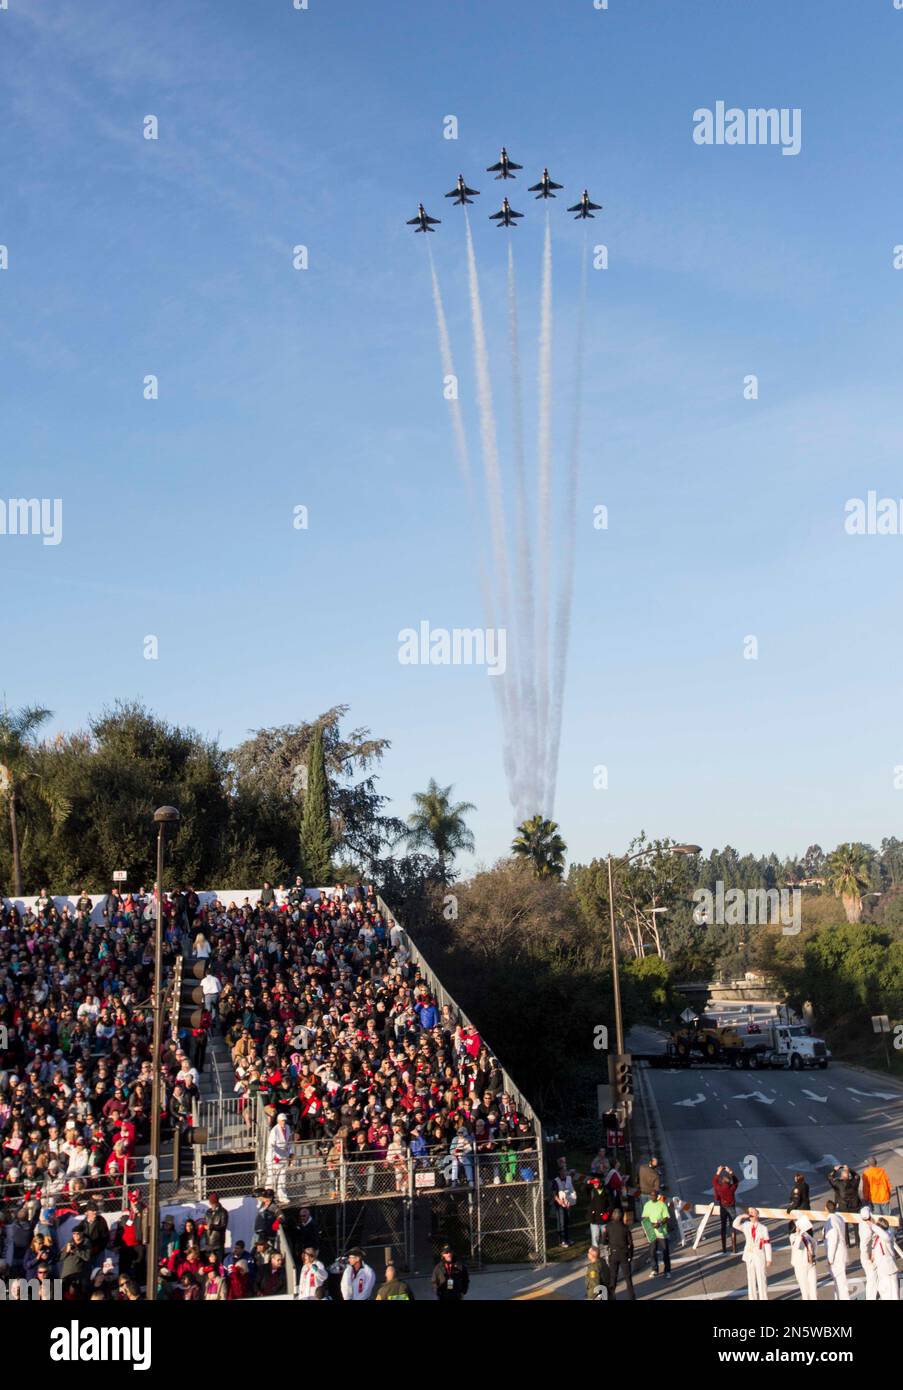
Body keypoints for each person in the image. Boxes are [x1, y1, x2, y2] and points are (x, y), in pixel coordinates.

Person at [733, 1208, 772, 1301]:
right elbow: (735, 1224)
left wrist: (769, 1258)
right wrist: (741, 1216)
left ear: (757, 1215)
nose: (751, 1214)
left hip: (759, 1255)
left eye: (753, 1213)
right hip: (749, 1255)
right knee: (751, 1279)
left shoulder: (763, 1228)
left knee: (761, 1279)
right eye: (750, 1213)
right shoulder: (746, 1225)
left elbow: (767, 1243)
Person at [603, 1207, 636, 1300]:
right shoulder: (625, 1228)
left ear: (613, 1216)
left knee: (613, 1278)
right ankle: (632, 1297)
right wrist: (631, 1255)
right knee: (628, 1278)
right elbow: (631, 1243)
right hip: (624, 1254)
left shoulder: (608, 1227)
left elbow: (603, 1241)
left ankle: (611, 1297)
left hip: (613, 1254)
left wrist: (609, 1242)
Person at [826, 1165, 860, 1248]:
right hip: (854, 1206)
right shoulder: (854, 1182)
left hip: (843, 1207)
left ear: (841, 1176)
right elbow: (857, 1176)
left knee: (844, 1225)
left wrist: (834, 1170)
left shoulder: (838, 1183)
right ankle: (858, 1243)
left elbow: (829, 1177)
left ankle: (847, 1243)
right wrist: (849, 1169)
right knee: (856, 1225)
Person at [641, 1189, 671, 1278]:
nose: (652, 1197)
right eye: (651, 1195)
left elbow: (666, 1217)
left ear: (657, 1196)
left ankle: (667, 1271)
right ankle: (654, 1270)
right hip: (652, 1233)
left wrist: (660, 1223)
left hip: (662, 1232)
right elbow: (644, 1217)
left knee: (665, 1252)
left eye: (654, 1195)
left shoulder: (662, 1205)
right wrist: (648, 1226)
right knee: (652, 1252)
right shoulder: (647, 1205)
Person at [823, 1201, 849, 1301]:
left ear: (826, 1209)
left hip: (836, 1256)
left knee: (841, 1283)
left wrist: (830, 1258)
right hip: (840, 1253)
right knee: (838, 1282)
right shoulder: (838, 1218)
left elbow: (832, 1241)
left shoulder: (831, 1222)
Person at [789, 1216, 818, 1301]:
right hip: (800, 1266)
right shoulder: (793, 1236)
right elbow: (796, 1246)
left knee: (813, 1290)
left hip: (810, 1264)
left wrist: (813, 1254)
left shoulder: (805, 1234)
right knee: (805, 1291)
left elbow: (814, 1243)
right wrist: (798, 1234)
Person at [871, 1219, 900, 1301]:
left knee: (891, 1293)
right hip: (883, 1269)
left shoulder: (887, 1235)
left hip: (888, 1268)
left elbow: (885, 1236)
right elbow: (875, 1247)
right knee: (886, 1292)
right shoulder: (877, 1236)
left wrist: (872, 1225)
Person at [713, 1165, 739, 1254]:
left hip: (723, 1207)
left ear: (722, 1181)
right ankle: (734, 1247)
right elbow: (736, 1181)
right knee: (733, 1226)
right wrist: (730, 1171)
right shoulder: (732, 1188)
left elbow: (714, 1182)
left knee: (723, 1226)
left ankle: (724, 1248)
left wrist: (718, 1172)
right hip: (731, 1207)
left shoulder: (720, 1188)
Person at [552, 1157, 577, 1248]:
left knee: (567, 1221)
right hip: (560, 1204)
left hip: (568, 1203)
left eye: (566, 1171)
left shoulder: (569, 1178)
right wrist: (560, 1202)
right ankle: (562, 1240)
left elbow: (571, 1189)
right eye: (563, 1171)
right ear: (560, 1172)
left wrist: (571, 1201)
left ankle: (567, 1238)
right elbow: (554, 1195)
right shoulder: (556, 1181)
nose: (565, 1172)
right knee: (561, 1222)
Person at [858, 1207, 879, 1300]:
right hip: (868, 1257)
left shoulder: (862, 1222)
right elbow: (864, 1246)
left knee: (874, 1277)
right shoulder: (867, 1230)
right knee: (871, 1279)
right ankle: (871, 1297)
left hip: (867, 1255)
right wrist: (869, 1257)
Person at [587, 1175, 610, 1250]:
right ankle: (595, 1255)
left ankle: (607, 1255)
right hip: (594, 1219)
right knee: (595, 1238)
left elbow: (611, 1205)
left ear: (600, 1183)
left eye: (597, 1182)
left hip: (604, 1220)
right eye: (594, 1183)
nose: (595, 1184)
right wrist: (589, 1182)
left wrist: (607, 1213)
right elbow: (583, 1189)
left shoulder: (606, 1191)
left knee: (605, 1239)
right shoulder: (592, 1191)